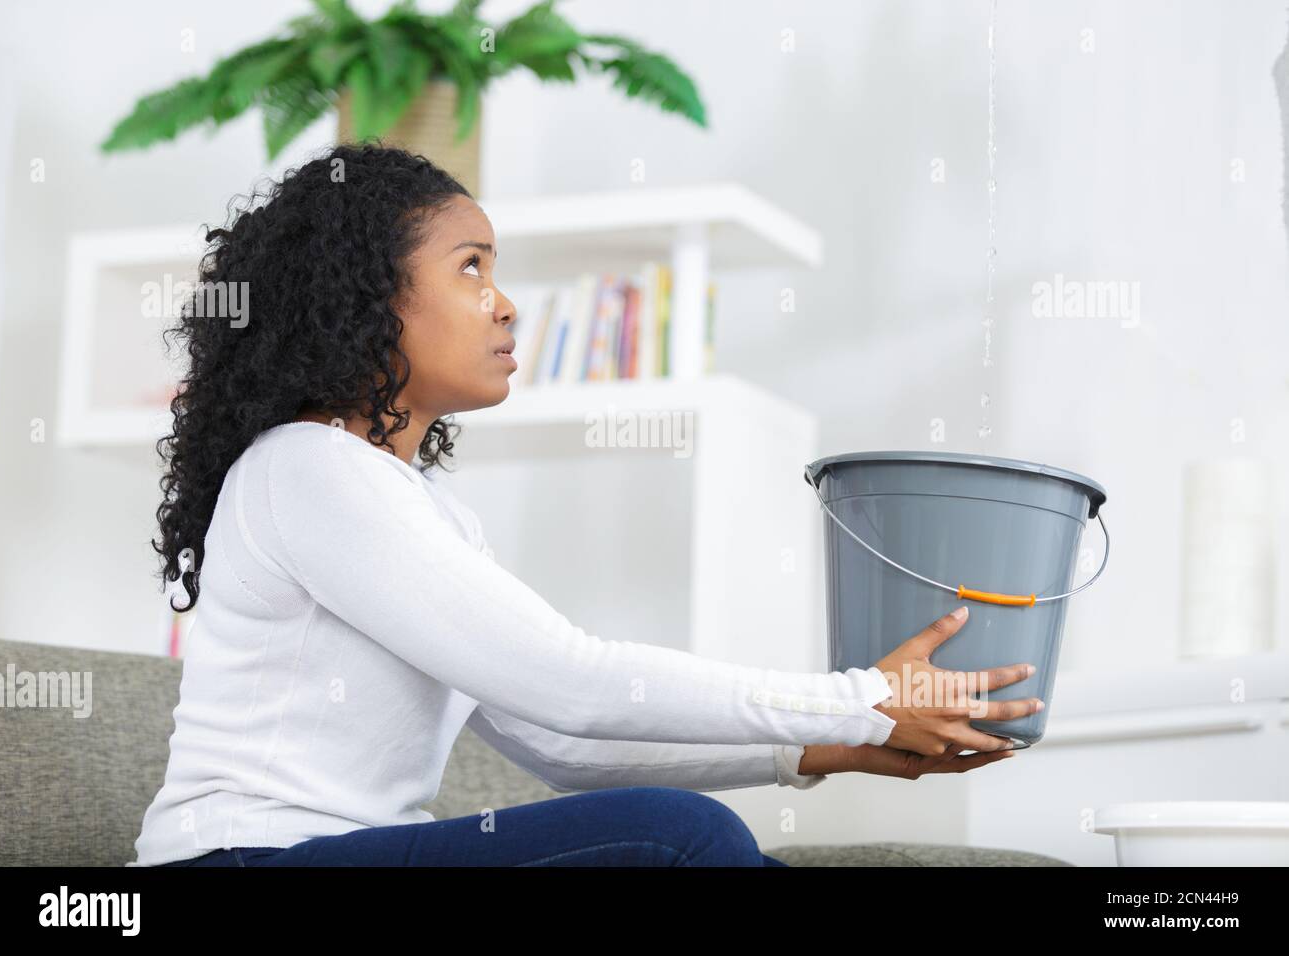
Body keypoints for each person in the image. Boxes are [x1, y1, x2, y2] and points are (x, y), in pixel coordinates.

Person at [131, 143, 1041, 868]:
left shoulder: (425, 511)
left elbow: (559, 743)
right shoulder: (307, 468)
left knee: (678, 838)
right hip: (241, 857)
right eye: (471, 268)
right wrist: (861, 701)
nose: (506, 307)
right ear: (368, 299)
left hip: (335, 857)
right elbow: (570, 682)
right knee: (674, 837)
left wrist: (823, 748)